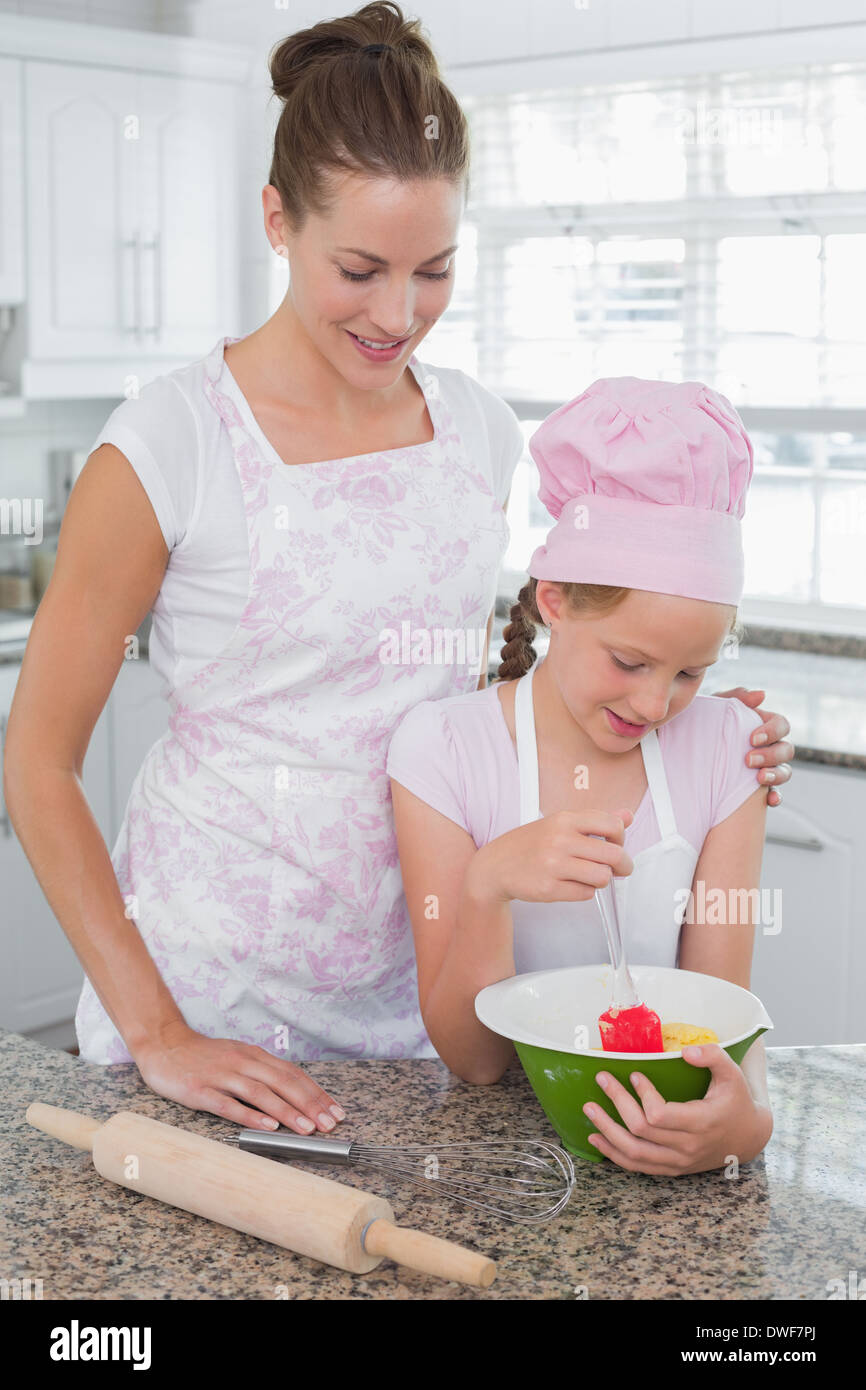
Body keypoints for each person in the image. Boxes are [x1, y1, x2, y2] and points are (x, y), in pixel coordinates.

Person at [2, 4, 791, 1142]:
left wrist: (690, 722)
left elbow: (502, 696)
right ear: (277, 220)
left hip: (436, 994)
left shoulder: (475, 431)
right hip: (217, 993)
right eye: (360, 269)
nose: (397, 315)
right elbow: (36, 762)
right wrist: (159, 1027)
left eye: (434, 271)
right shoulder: (169, 443)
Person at [387, 376, 784, 1175]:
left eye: (690, 673)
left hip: (660, 1135)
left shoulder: (728, 749)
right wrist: (488, 883)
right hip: (508, 1160)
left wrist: (745, 1129)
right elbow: (476, 1063)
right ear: (556, 601)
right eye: (630, 661)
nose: (655, 703)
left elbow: (715, 1019)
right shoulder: (442, 749)